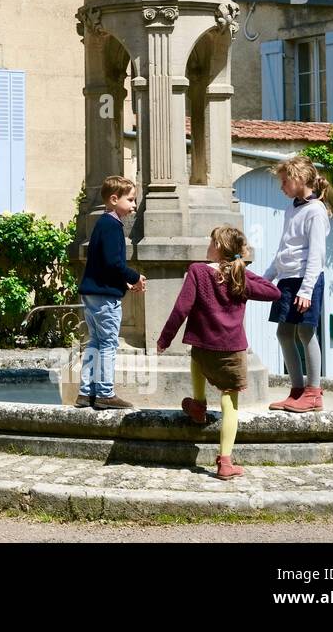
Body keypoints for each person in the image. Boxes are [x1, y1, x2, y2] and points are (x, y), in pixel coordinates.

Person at [157, 225, 281, 480]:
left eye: (211, 241)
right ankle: (225, 462)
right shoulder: (240, 277)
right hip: (232, 350)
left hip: (203, 345)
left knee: (197, 359)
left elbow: (181, 309)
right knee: (229, 404)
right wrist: (243, 270)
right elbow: (273, 292)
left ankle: (199, 404)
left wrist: (165, 339)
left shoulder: (198, 271)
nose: (208, 244)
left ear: (218, 247)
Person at [265, 155, 331, 413]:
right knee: (283, 333)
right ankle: (296, 391)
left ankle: (313, 393)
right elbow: (285, 249)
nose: (281, 186)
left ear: (300, 179)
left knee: (306, 332)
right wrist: (267, 277)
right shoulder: (292, 207)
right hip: (288, 279)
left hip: (307, 279)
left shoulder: (315, 211)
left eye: (284, 181)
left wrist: (306, 290)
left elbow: (316, 255)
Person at [75, 175, 146, 410]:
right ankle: (105, 393)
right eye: (131, 200)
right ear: (114, 199)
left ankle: (86, 392)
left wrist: (122, 282)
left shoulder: (101, 224)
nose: (134, 205)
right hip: (105, 298)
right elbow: (115, 263)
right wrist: (134, 277)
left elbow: (102, 264)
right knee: (108, 344)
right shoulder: (114, 226)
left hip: (92, 293)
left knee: (94, 341)